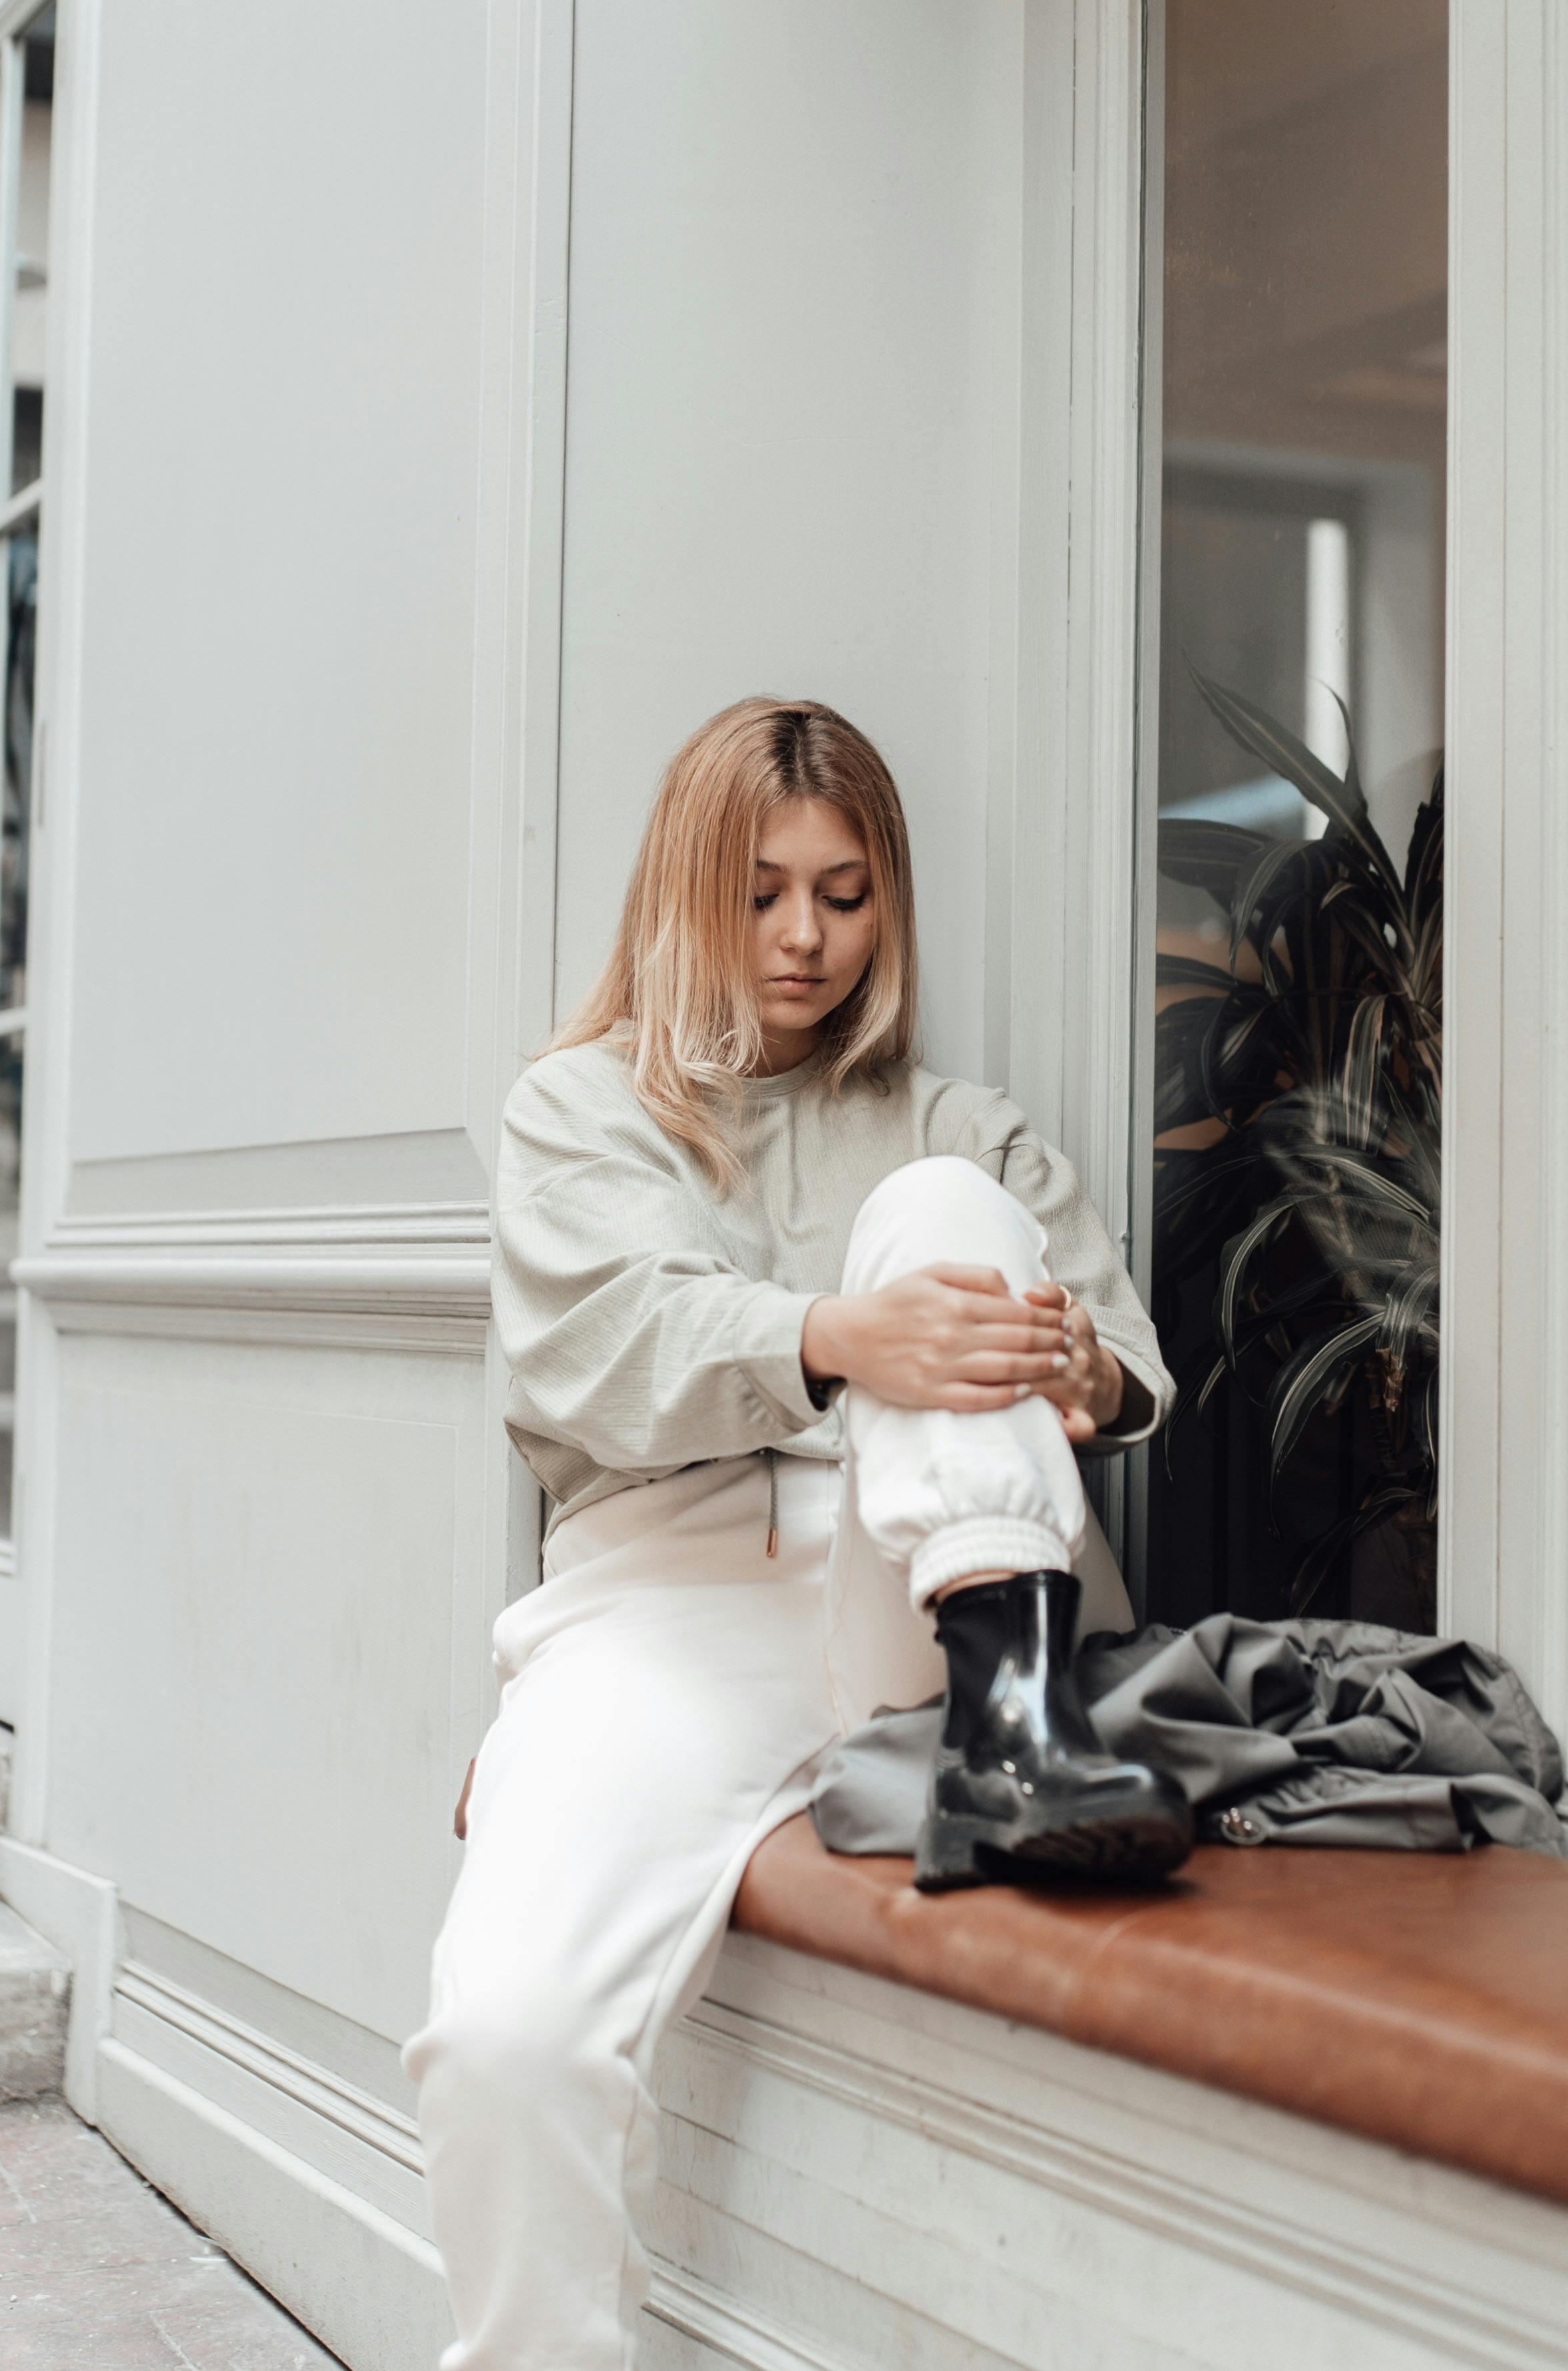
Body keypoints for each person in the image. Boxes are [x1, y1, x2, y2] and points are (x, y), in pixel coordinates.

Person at [400, 697, 1189, 2371]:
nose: (804, 936)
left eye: (844, 893)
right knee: (505, 2034)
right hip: (667, 1597)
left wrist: (1071, 1362)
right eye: (760, 890)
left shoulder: (958, 1129)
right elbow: (601, 1345)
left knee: (938, 1215)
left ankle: (1021, 1727)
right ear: (685, 889)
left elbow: (1127, 1372)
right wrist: (839, 1338)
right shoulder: (580, 1109)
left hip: (940, 1585)